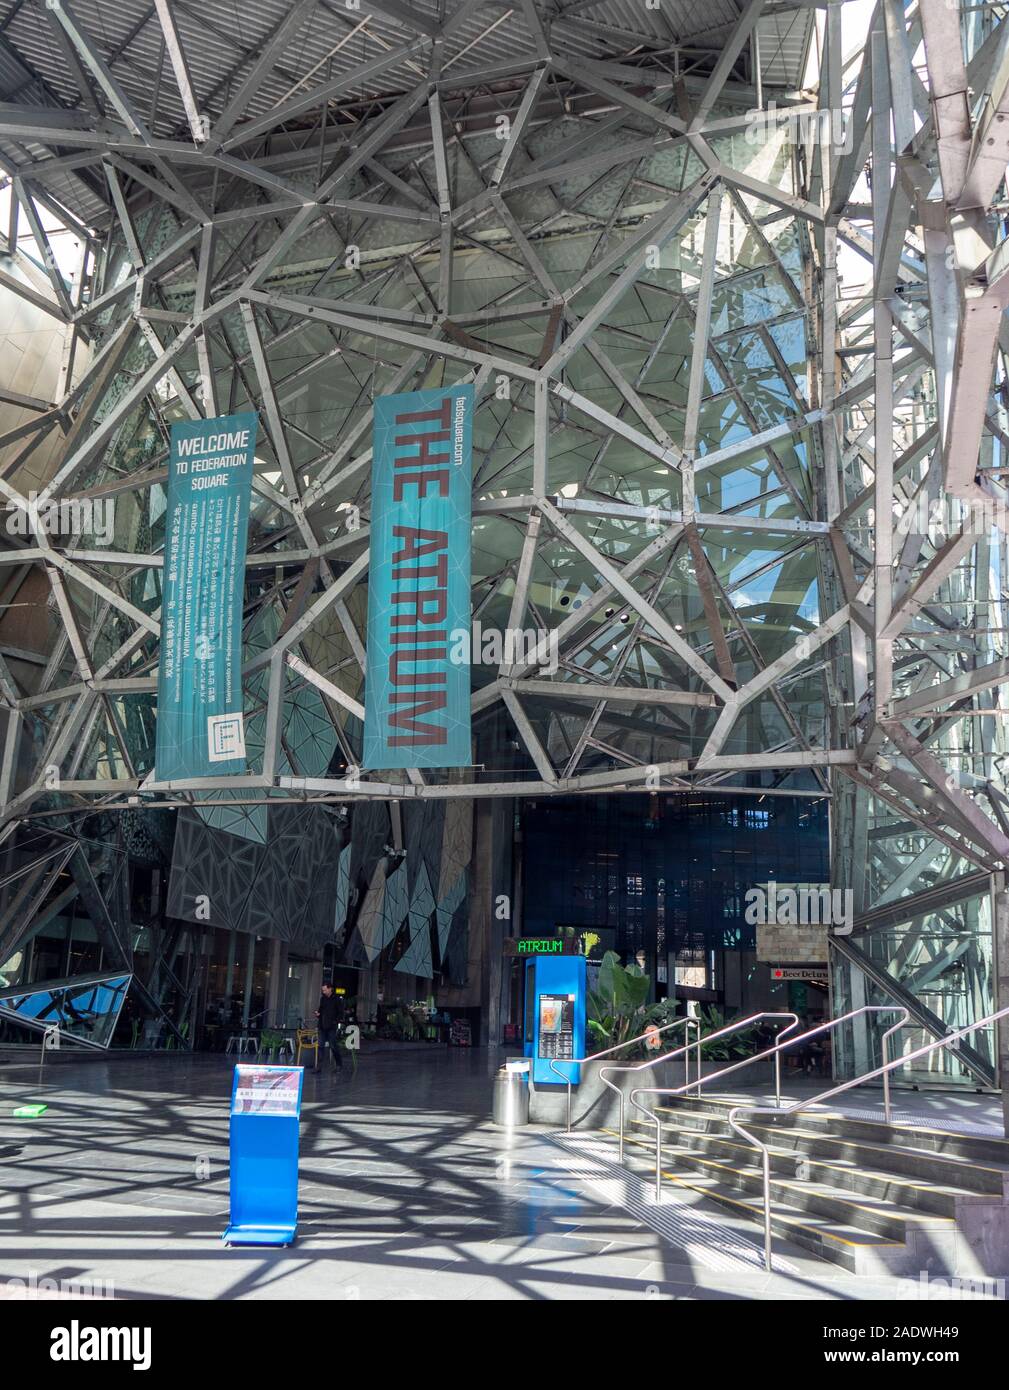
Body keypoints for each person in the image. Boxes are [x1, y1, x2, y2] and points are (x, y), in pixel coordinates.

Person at [315, 983, 344, 1073]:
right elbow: (320, 1010)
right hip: (322, 1025)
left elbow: (340, 1013)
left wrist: (335, 1021)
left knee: (333, 1045)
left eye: (324, 990)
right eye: (322, 990)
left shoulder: (337, 999)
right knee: (320, 1046)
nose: (323, 991)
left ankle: (339, 1064)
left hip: (331, 1026)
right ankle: (319, 1067)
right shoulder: (323, 999)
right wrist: (318, 1014)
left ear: (330, 989)